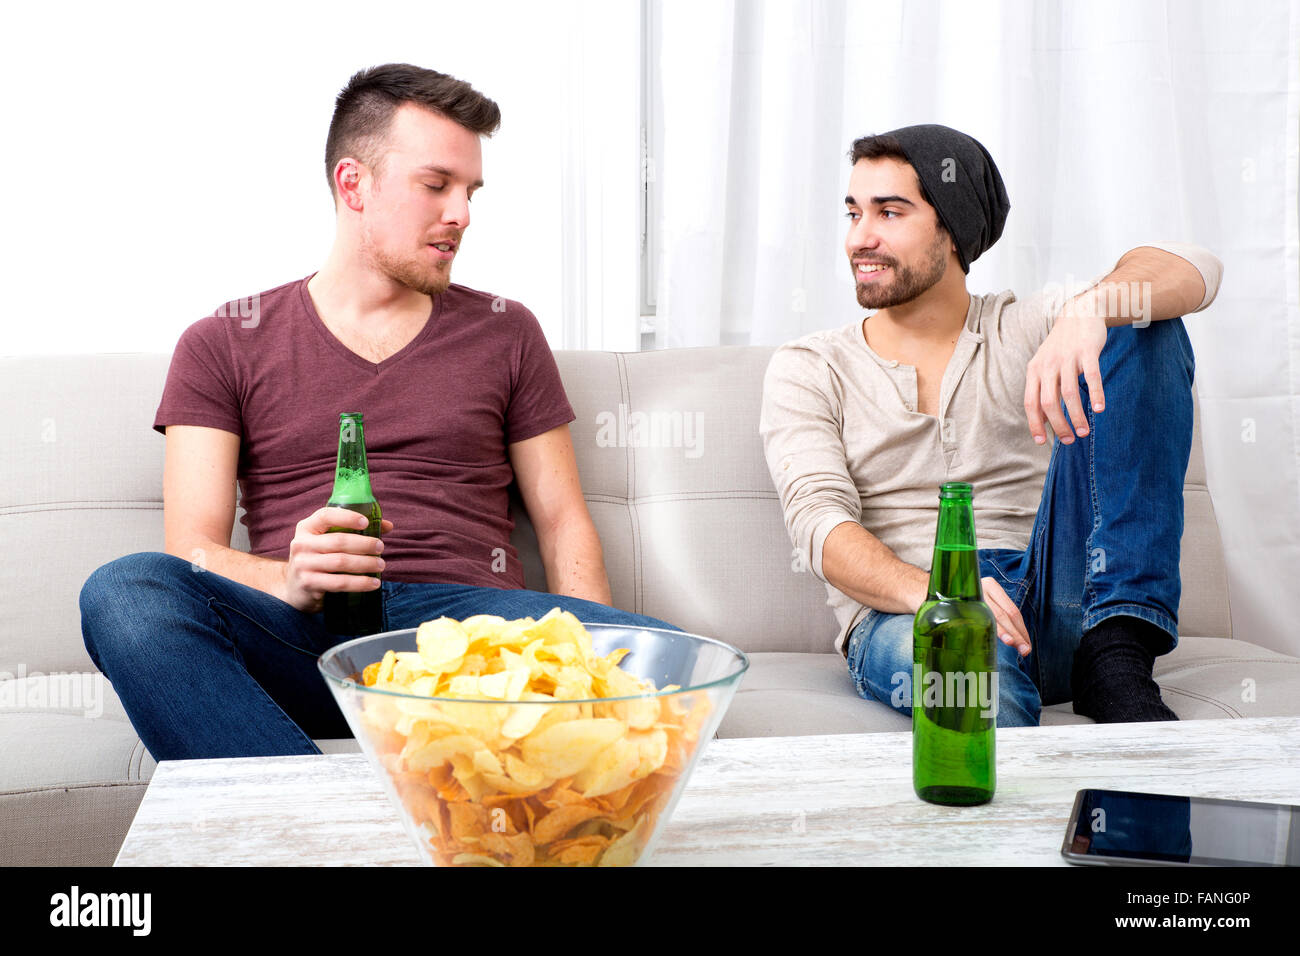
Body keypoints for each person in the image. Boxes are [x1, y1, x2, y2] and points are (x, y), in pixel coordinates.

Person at [80, 63, 675, 761]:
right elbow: (193, 553)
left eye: (470, 191)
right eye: (436, 185)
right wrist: (289, 579)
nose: (462, 213)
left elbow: (563, 521)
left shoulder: (506, 331)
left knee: (667, 663)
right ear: (353, 184)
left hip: (477, 645)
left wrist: (587, 652)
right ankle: (316, 832)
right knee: (124, 592)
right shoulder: (222, 341)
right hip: (305, 637)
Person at [760, 124, 1223, 726]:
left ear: (951, 231)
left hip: (1062, 601)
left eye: (889, 213)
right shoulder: (811, 366)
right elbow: (819, 524)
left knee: (1143, 320)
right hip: (915, 611)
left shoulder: (1025, 326)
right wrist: (941, 594)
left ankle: (1117, 652)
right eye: (853, 213)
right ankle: (1031, 809)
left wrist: (1091, 308)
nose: (860, 238)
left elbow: (1197, 270)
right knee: (968, 666)